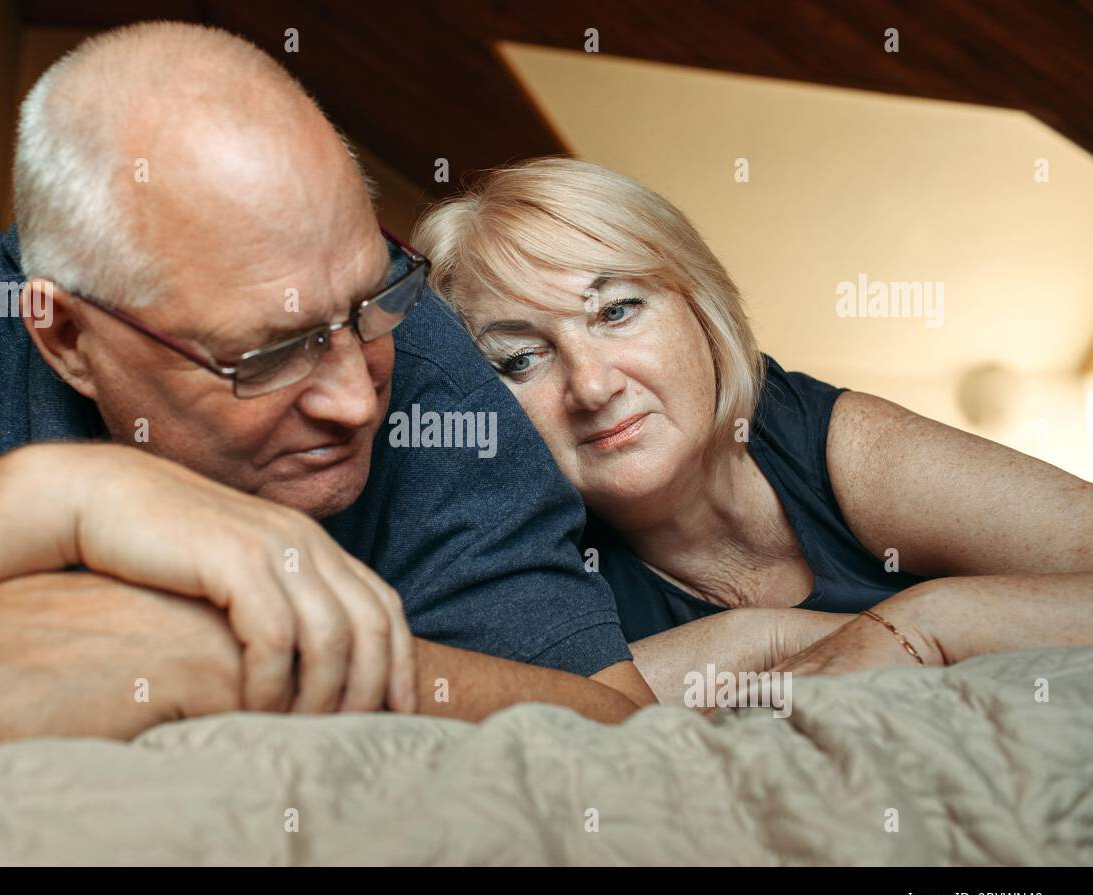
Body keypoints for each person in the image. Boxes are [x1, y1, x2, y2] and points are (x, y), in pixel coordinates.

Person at [0, 26, 656, 741]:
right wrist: (49, 498)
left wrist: (239, 663)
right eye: (271, 354)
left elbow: (625, 735)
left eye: (368, 300)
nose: (357, 400)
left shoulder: (420, 357)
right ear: (65, 337)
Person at [413, 157, 1093, 703]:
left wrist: (927, 623)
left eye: (617, 311)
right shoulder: (510, 552)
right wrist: (756, 638)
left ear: (700, 309)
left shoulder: (830, 442)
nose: (592, 386)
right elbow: (511, 710)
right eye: (520, 359)